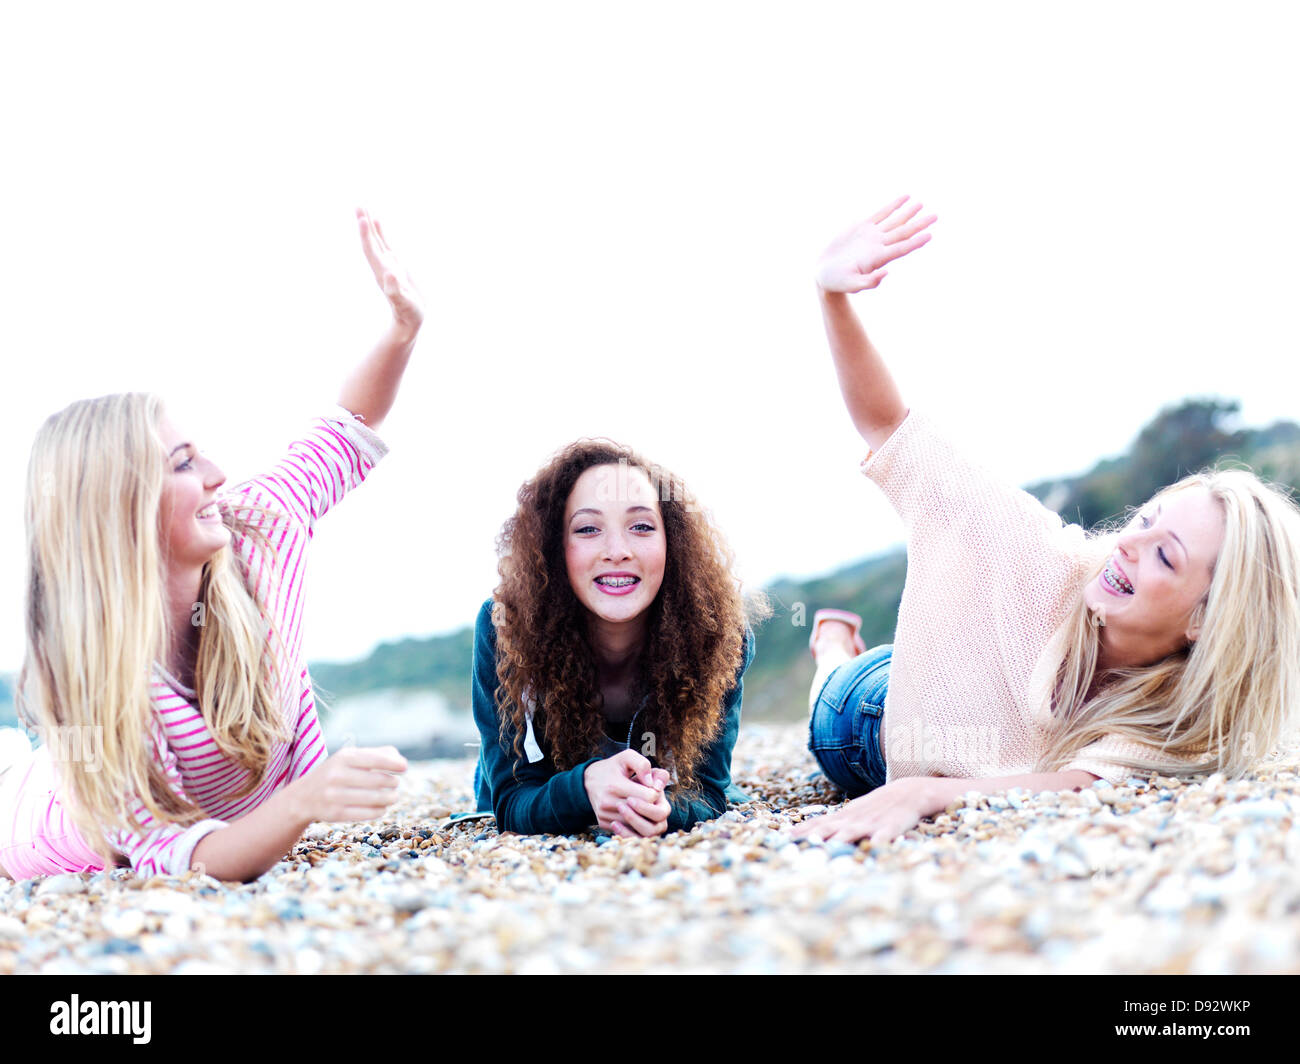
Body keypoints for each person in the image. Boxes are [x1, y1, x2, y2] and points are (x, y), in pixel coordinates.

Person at [794, 196, 1300, 845]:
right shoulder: (1039, 555)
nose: (1130, 543)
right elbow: (892, 426)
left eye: (1166, 555)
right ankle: (833, 646)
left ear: (1208, 621)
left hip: (945, 705)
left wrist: (926, 793)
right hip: (872, 714)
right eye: (1145, 520)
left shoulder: (1184, 718)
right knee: (828, 692)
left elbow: (1082, 784)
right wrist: (832, 296)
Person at [0, 209, 422, 882]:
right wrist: (302, 804)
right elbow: (182, 858)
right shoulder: (101, 682)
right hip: (33, 824)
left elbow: (348, 426)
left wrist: (402, 329)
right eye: (182, 463)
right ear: (120, 509)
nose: (218, 475)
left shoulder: (252, 527)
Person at [471, 439, 764, 837]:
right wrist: (584, 786)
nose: (618, 550)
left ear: (672, 542)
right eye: (588, 528)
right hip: (537, 782)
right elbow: (509, 802)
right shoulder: (506, 628)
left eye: (641, 526)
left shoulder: (715, 635)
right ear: (554, 547)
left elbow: (711, 793)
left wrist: (665, 811)